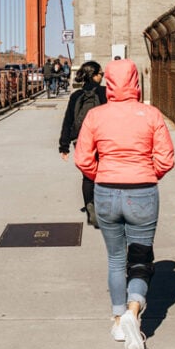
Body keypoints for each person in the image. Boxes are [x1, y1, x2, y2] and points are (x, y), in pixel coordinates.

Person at [75, 58, 175, 349]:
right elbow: (166, 159)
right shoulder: (151, 114)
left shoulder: (96, 115)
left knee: (116, 258)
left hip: (106, 191)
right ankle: (134, 310)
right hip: (142, 191)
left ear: (109, 82)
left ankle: (119, 320)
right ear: (136, 82)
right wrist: (148, 174)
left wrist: (101, 175)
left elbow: (83, 159)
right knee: (141, 257)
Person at [58, 60, 107, 227]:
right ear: (94, 75)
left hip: (80, 140)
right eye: (101, 74)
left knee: (88, 176)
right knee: (104, 172)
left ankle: (90, 208)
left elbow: (68, 121)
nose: (102, 77)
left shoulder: (76, 95)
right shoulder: (104, 93)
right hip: (102, 138)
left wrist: (64, 146)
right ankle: (103, 207)